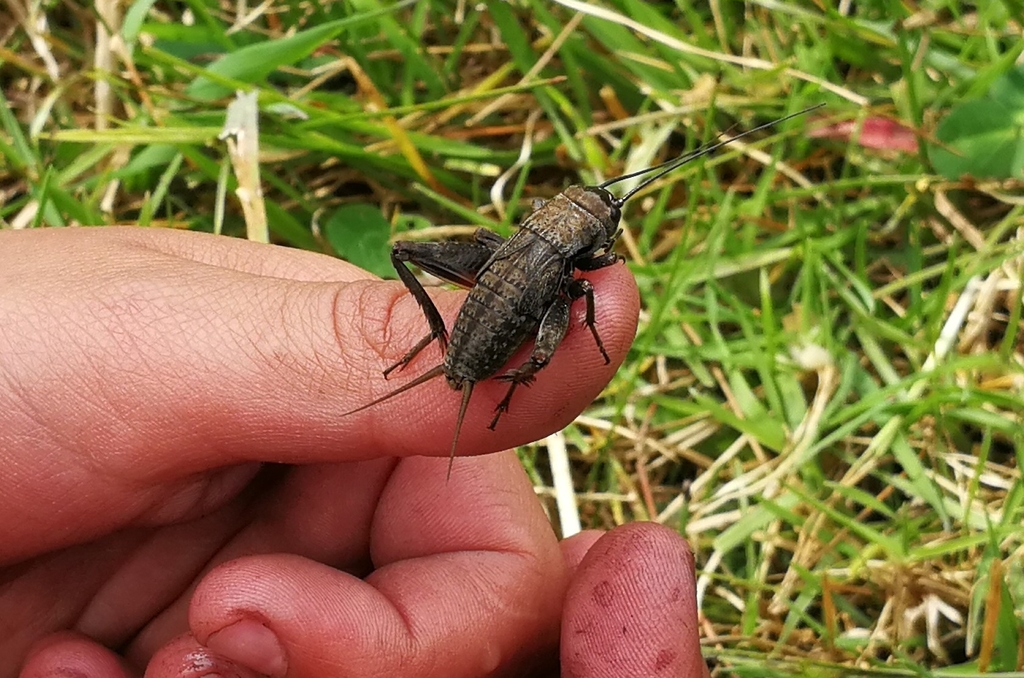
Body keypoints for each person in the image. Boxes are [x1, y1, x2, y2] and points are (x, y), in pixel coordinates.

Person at [2, 227, 707, 678]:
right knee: (566, 329)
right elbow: (591, 298)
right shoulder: (586, 268)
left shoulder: (530, 240)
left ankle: (451, 351)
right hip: (500, 326)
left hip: (495, 298)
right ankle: (470, 365)